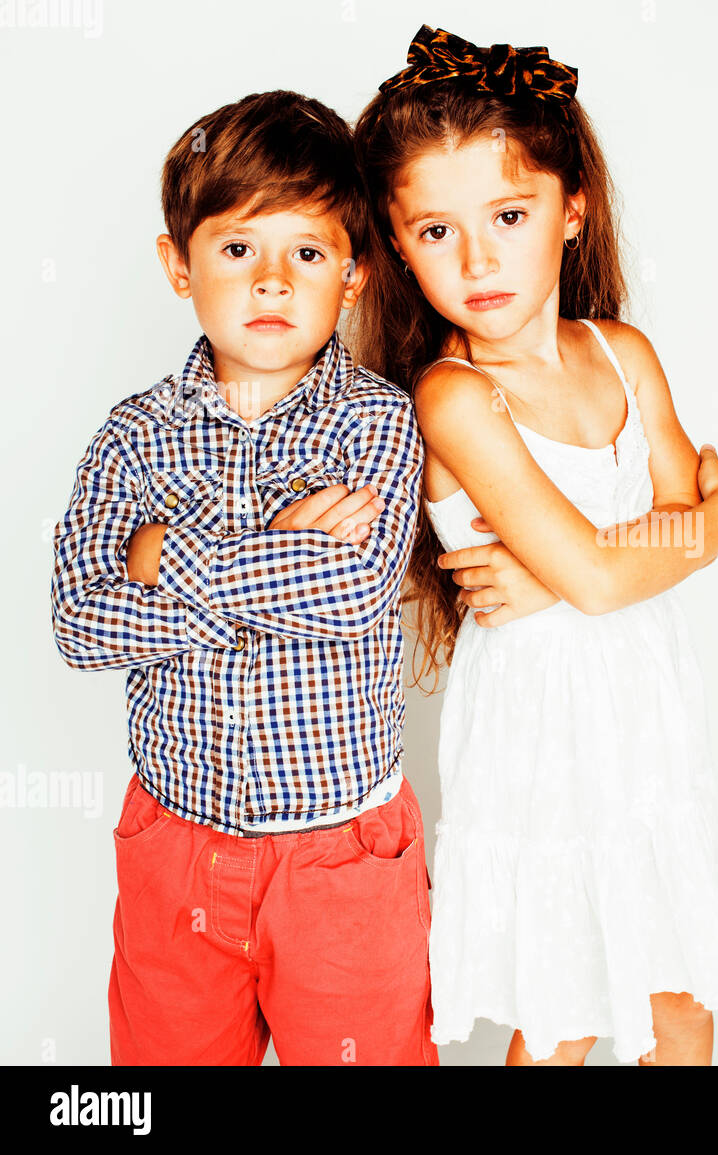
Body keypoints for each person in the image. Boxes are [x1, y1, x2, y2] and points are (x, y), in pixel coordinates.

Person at [350, 26, 718, 1065]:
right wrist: (714, 517)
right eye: (435, 231)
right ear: (396, 244)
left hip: (641, 708)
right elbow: (627, 561)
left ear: (573, 209)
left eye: (509, 215)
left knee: (677, 999)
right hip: (539, 726)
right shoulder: (455, 396)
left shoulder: (622, 356)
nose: (477, 259)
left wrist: (680, 531)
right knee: (564, 1008)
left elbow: (636, 551)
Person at [50, 90, 435, 1066]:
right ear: (178, 266)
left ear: (351, 276)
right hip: (176, 845)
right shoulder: (132, 435)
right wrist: (277, 565)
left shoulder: (375, 421)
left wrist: (161, 558)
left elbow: (349, 595)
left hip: (340, 855)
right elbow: (82, 624)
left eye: (306, 253)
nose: (272, 281)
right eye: (236, 250)